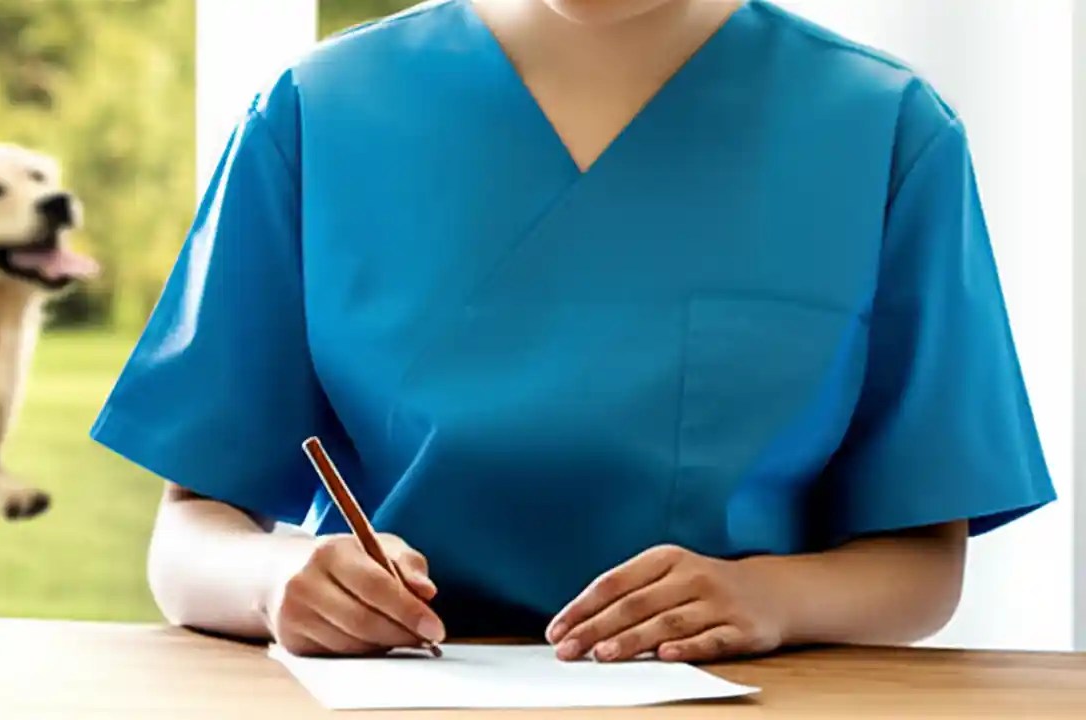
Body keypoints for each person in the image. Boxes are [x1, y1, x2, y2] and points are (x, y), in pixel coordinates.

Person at [91, 0, 1056, 663]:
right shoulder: (316, 110)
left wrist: (770, 601)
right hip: (387, 695)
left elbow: (924, 562)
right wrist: (277, 580)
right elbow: (188, 536)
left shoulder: (886, 130)